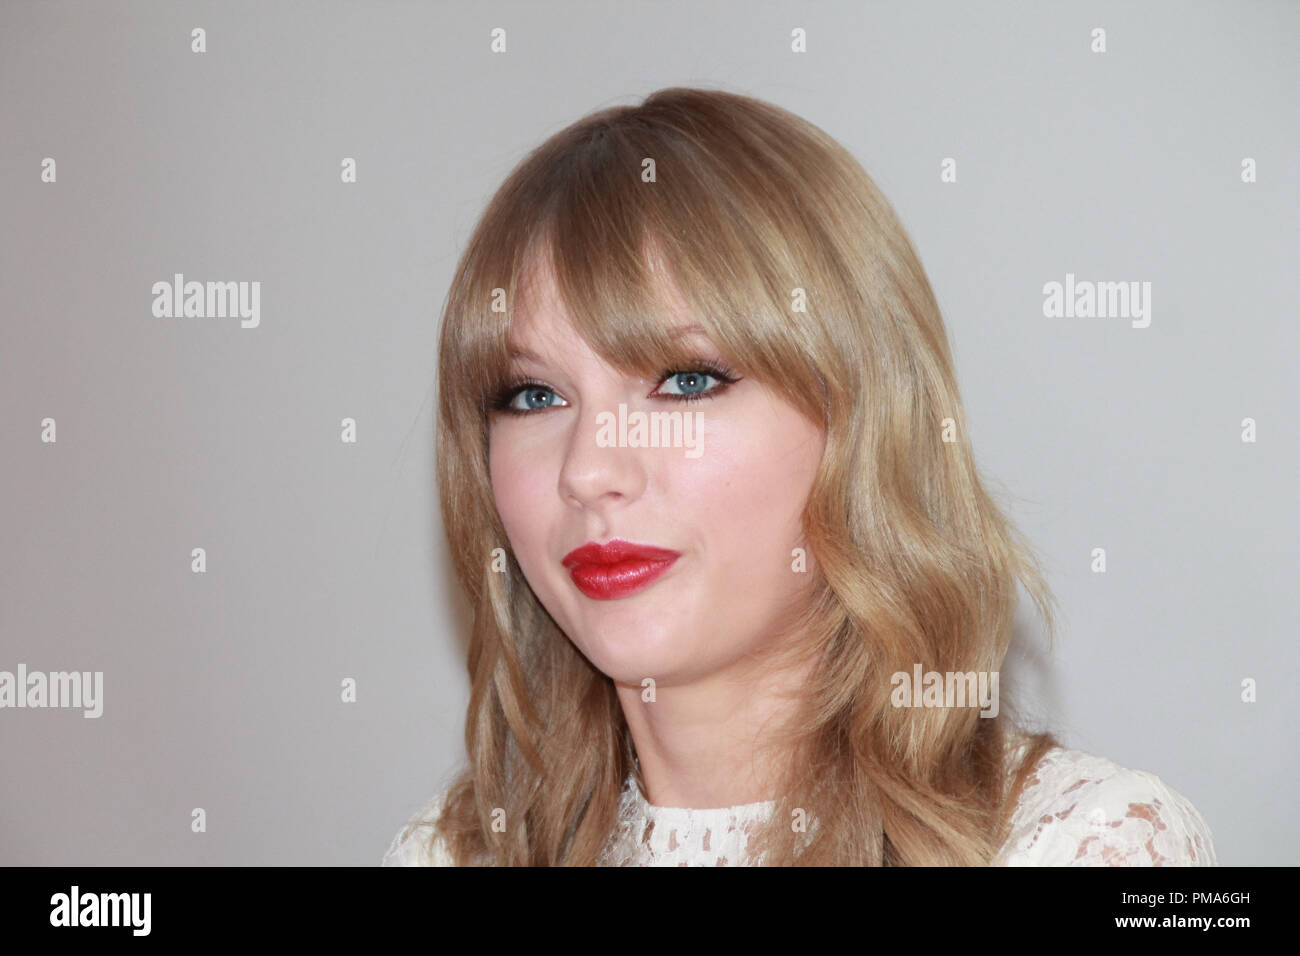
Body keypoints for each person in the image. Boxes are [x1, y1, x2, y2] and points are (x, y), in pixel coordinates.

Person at [383, 87, 1217, 866]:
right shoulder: (447, 851)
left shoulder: (1088, 843)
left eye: (687, 380)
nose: (590, 470)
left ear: (861, 418)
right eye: (534, 395)